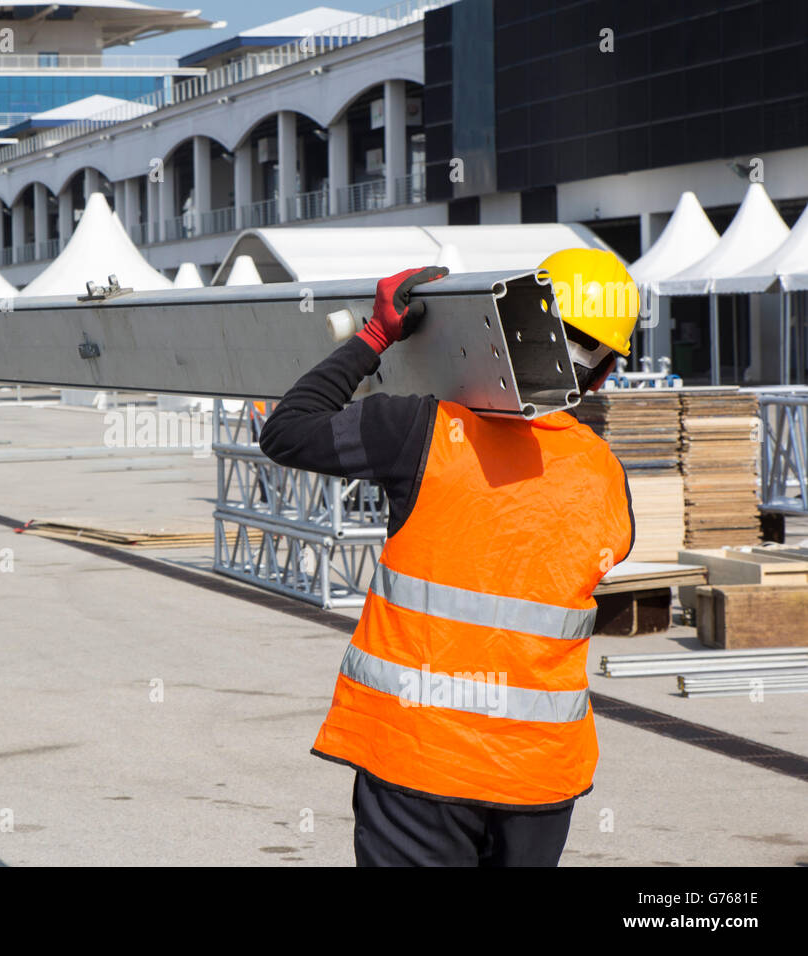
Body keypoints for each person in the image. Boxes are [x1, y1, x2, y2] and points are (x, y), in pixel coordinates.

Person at [258, 250, 637, 866]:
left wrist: (377, 334)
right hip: (539, 778)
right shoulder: (605, 476)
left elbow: (288, 429)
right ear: (603, 374)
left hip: (418, 763)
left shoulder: (421, 430)